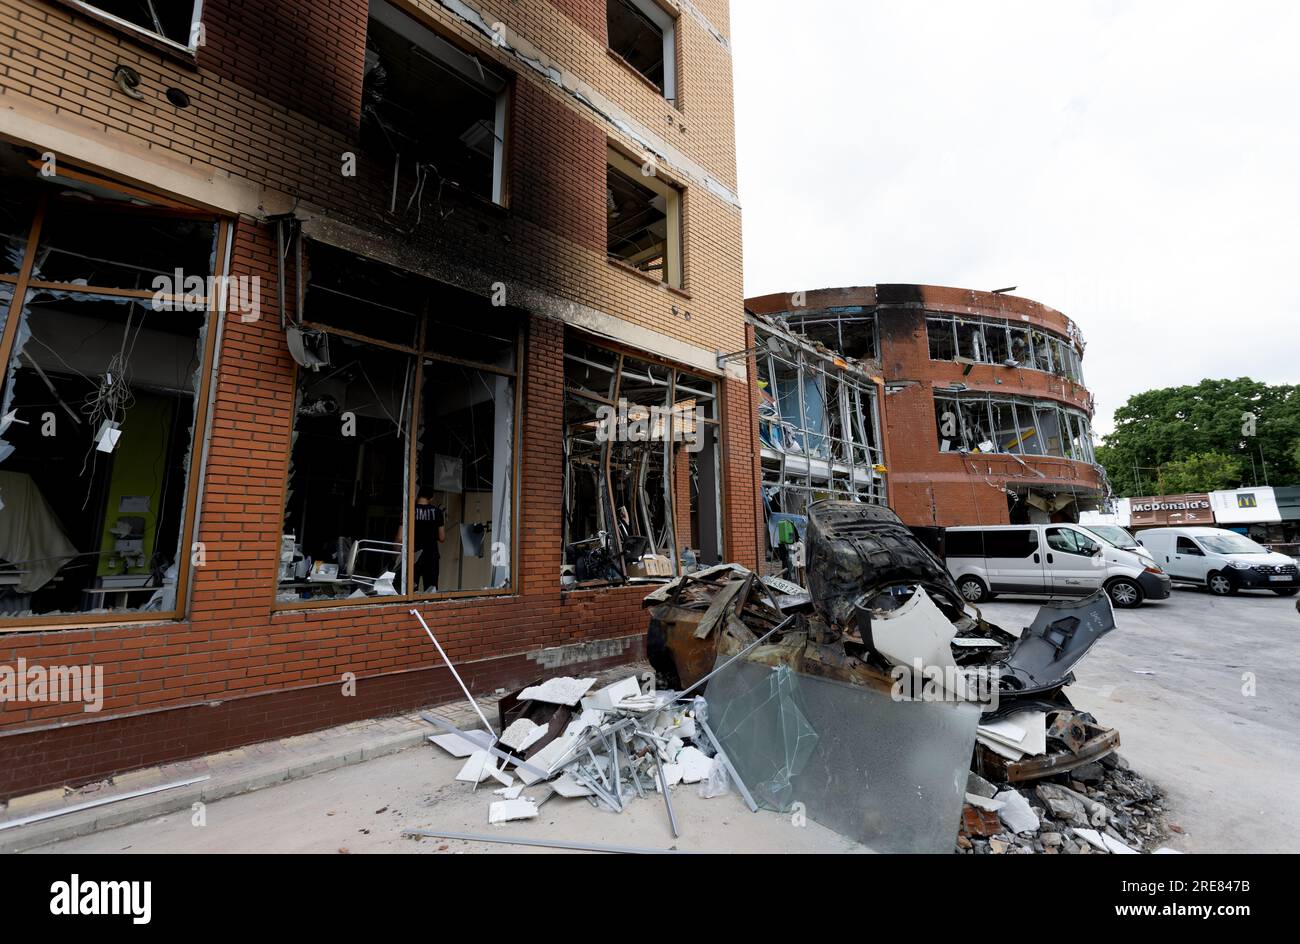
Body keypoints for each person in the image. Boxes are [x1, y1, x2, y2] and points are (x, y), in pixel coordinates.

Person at [412, 486, 445, 592]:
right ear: (431, 498)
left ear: (417, 495)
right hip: (431, 556)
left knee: (412, 590)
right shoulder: (437, 512)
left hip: (413, 555)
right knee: (431, 590)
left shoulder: (410, 511)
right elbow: (442, 537)